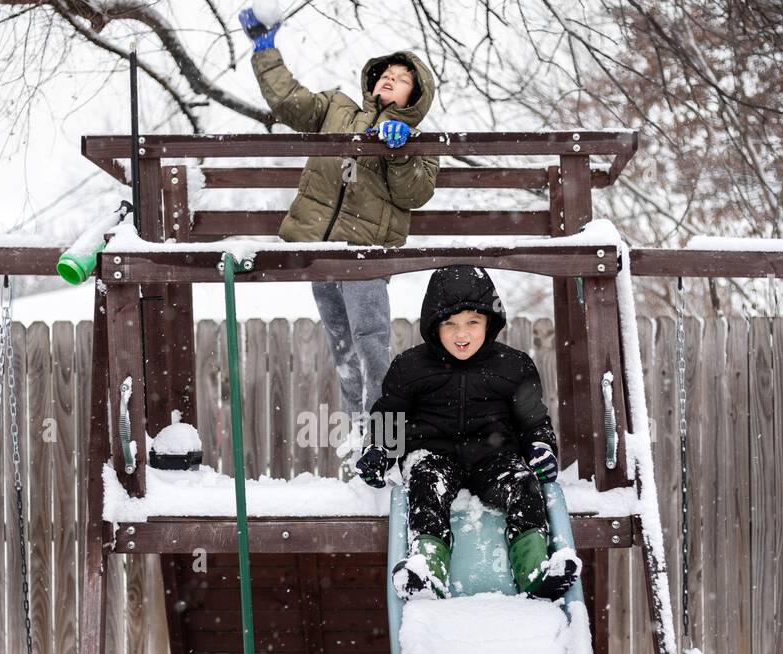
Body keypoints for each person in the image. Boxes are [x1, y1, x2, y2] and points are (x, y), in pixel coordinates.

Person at [239, 7, 438, 463]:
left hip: (365, 253)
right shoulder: (336, 108)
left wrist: (400, 149)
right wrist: (265, 52)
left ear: (415, 95)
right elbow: (289, 102)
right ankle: (357, 439)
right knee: (342, 345)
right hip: (321, 250)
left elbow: (415, 194)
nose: (389, 79)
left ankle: (384, 443)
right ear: (372, 83)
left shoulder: (417, 141)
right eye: (385, 73)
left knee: (371, 345)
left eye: (401, 78)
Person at [355, 265, 580, 602]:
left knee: (524, 485)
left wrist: (540, 447)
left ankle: (534, 569)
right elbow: (389, 416)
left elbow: (534, 422)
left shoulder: (513, 367)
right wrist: (377, 450)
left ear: (490, 323)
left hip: (494, 457)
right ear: (434, 326)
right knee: (425, 483)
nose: (462, 335)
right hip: (433, 456)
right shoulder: (410, 367)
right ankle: (427, 569)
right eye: (450, 324)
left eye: (472, 322)